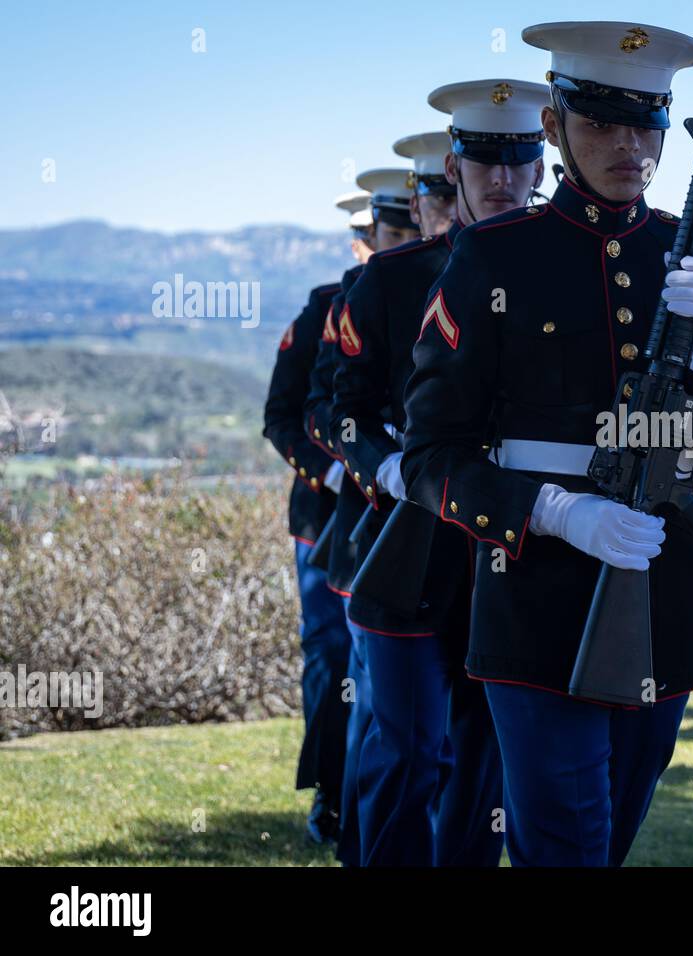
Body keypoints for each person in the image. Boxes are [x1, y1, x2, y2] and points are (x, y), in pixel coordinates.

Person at [400, 21, 693, 867]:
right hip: (532, 596)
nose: (629, 146)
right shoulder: (493, 258)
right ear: (553, 127)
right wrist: (556, 513)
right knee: (564, 845)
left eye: (648, 123)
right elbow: (430, 457)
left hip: (662, 599)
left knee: (607, 843)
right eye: (602, 122)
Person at [334, 85, 547, 867]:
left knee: (483, 770)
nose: (504, 175)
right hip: (410, 544)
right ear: (454, 166)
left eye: (522, 156)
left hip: (514, 552)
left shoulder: (558, 273)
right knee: (411, 753)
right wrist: (387, 467)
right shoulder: (389, 280)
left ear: (542, 164)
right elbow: (341, 410)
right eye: (487, 157)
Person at [300, 172, 419, 863]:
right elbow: (302, 412)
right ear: (367, 238)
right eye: (392, 233)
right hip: (348, 520)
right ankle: (336, 802)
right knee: (340, 668)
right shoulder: (334, 303)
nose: (402, 242)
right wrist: (347, 465)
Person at [260, 193, 368, 844]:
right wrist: (331, 474)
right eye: (366, 233)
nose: (371, 243)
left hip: (396, 516)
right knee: (331, 654)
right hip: (324, 519)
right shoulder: (322, 306)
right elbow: (281, 416)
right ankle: (332, 792)